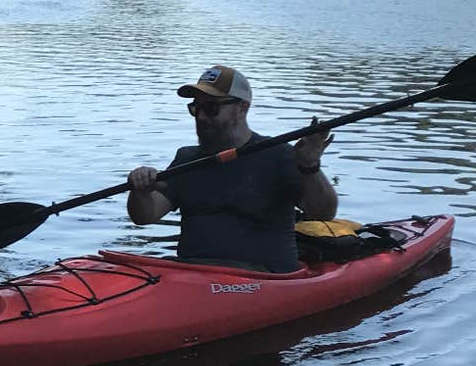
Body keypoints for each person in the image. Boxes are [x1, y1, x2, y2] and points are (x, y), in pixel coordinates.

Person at [125, 63, 337, 272]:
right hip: (192, 274)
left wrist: (310, 166)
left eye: (211, 108)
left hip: (264, 278)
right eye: (196, 108)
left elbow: (323, 213)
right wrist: (140, 190)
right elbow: (145, 216)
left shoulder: (279, 155)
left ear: (242, 108)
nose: (201, 117)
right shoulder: (187, 158)